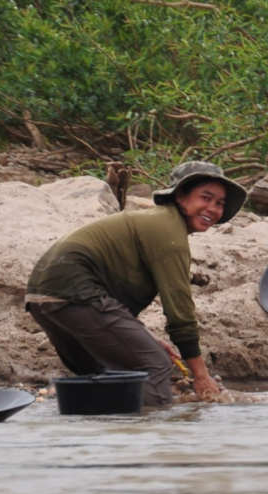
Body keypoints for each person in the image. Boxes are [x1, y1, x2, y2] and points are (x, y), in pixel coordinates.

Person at [24, 161, 246, 406]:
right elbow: (180, 316)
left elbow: (108, 306)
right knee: (155, 364)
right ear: (180, 196)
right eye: (206, 197)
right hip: (72, 291)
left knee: (106, 372)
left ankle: (101, 437)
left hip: (41, 296)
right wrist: (201, 376)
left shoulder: (157, 223)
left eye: (220, 203)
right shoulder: (168, 232)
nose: (212, 209)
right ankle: (152, 436)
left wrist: (143, 335)